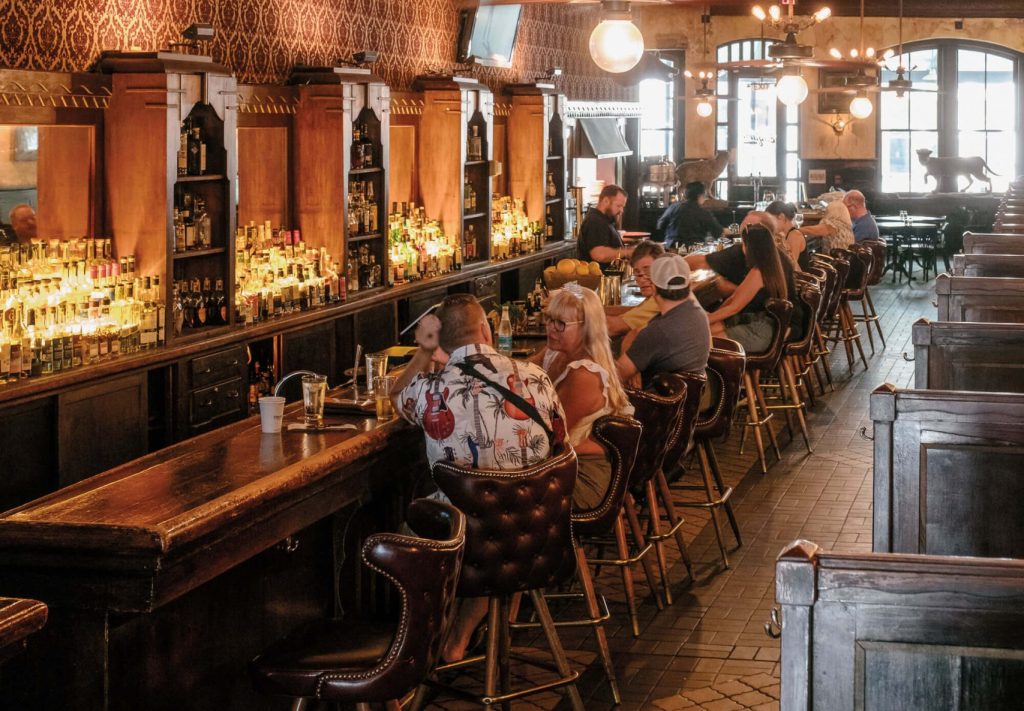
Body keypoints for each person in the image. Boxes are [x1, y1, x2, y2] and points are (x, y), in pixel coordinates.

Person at [391, 294, 566, 664]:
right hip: (538, 532)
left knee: (409, 528)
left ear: (439, 340)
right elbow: (560, 442)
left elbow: (394, 393)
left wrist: (424, 353)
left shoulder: (429, 390)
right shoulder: (537, 378)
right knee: (494, 511)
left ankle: (416, 648)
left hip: (465, 541)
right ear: (487, 328)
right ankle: (472, 629)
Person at [530, 284, 635, 510]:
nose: (551, 328)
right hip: (560, 463)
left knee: (500, 497)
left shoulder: (585, 375)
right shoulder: (555, 353)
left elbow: (552, 434)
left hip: (583, 476)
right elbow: (519, 372)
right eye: (549, 319)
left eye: (561, 323)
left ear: (587, 328)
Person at [616, 253, 711, 387]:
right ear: (688, 284)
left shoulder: (658, 332)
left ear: (653, 287)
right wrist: (635, 361)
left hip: (659, 404)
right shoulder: (696, 312)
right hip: (692, 398)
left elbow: (616, 377)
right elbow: (637, 334)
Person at [706, 221, 792, 354]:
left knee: (704, 340)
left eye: (743, 244)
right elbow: (734, 298)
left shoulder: (758, 272)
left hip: (761, 332)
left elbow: (734, 307)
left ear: (750, 247)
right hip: (769, 325)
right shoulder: (772, 266)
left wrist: (703, 321)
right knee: (709, 329)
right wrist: (711, 319)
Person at [607, 240, 665, 339]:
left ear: (662, 269)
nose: (642, 279)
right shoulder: (655, 297)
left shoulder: (659, 300)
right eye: (637, 272)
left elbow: (612, 327)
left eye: (648, 270)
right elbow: (632, 311)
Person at [577, 184, 633, 269]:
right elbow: (599, 255)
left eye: (623, 207)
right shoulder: (595, 221)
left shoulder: (604, 219)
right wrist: (628, 251)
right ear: (606, 200)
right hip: (599, 280)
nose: (621, 210)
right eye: (618, 206)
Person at [669, 181, 725, 249]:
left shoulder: (674, 208)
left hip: (672, 248)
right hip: (693, 250)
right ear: (699, 196)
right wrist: (732, 231)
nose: (705, 198)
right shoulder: (703, 213)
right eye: (704, 195)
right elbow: (719, 232)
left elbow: (661, 225)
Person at [765, 200, 807, 269]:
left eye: (771, 221)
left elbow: (791, 267)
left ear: (781, 216)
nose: (770, 225)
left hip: (798, 278)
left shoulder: (795, 235)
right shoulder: (782, 235)